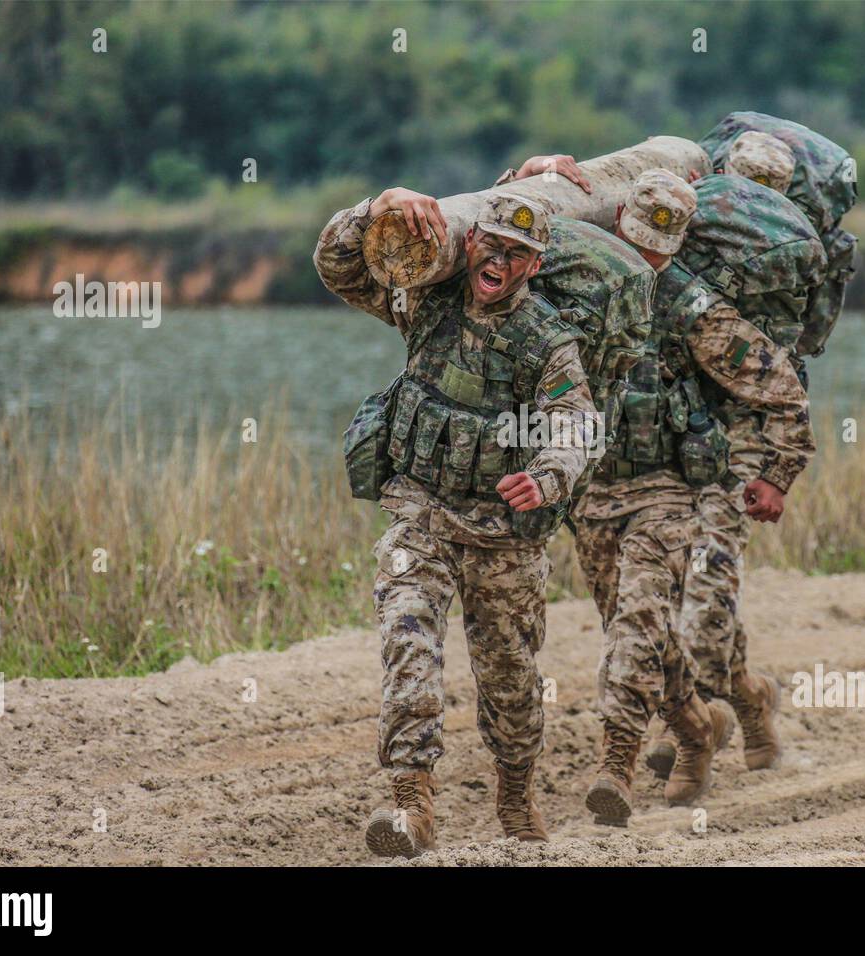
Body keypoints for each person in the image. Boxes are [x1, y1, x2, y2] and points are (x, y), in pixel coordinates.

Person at [314, 189, 597, 857]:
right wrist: (377, 206)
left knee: (512, 682)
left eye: (518, 253)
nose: (500, 260)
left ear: (534, 264)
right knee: (408, 648)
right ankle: (412, 803)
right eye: (492, 244)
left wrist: (549, 474)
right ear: (469, 243)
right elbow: (337, 265)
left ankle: (517, 795)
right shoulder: (426, 300)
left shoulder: (546, 341)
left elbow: (577, 422)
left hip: (505, 538)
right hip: (423, 518)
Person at [565, 169, 815, 825]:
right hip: (595, 493)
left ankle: (614, 764)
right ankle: (712, 720)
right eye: (635, 239)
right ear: (618, 223)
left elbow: (779, 387)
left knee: (642, 625)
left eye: (658, 248)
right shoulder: (578, 281)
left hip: (670, 490)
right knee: (638, 629)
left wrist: (775, 473)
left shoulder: (693, 310)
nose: (643, 257)